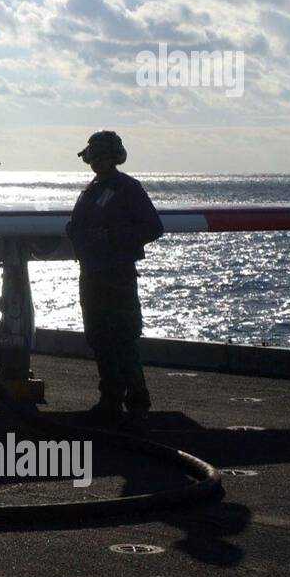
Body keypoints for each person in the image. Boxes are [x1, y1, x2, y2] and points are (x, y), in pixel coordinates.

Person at [65, 130, 164, 423]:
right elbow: (77, 225)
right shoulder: (92, 189)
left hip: (117, 274)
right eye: (93, 156)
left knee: (123, 338)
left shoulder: (128, 189)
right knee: (98, 337)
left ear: (114, 157)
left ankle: (137, 403)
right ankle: (110, 399)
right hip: (93, 273)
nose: (96, 161)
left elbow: (152, 227)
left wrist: (112, 236)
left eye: (101, 155)